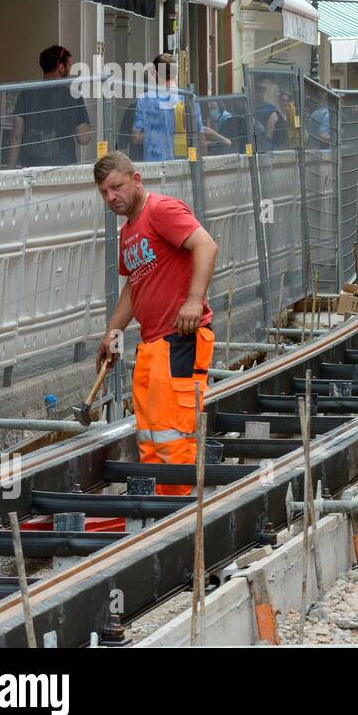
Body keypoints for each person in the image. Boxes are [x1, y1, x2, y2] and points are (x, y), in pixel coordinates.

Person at [94, 152, 218, 495]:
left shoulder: (161, 210)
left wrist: (194, 300)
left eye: (116, 187)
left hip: (179, 339)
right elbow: (135, 286)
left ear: (136, 180)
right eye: (104, 192)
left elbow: (206, 245)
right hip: (152, 346)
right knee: (150, 436)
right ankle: (157, 506)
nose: (111, 197)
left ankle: (178, 513)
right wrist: (113, 334)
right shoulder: (129, 232)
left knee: (173, 435)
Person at [132, 53, 231, 162]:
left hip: (154, 164)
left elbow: (136, 138)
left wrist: (158, 135)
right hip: (183, 164)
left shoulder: (143, 100)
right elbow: (199, 135)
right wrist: (203, 166)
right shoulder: (189, 98)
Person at [7, 46, 92, 168]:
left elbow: (16, 136)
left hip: (31, 167)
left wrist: (10, 171)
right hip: (64, 167)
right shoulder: (73, 97)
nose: (69, 69)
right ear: (61, 67)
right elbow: (84, 138)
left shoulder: (26, 93)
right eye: (68, 65)